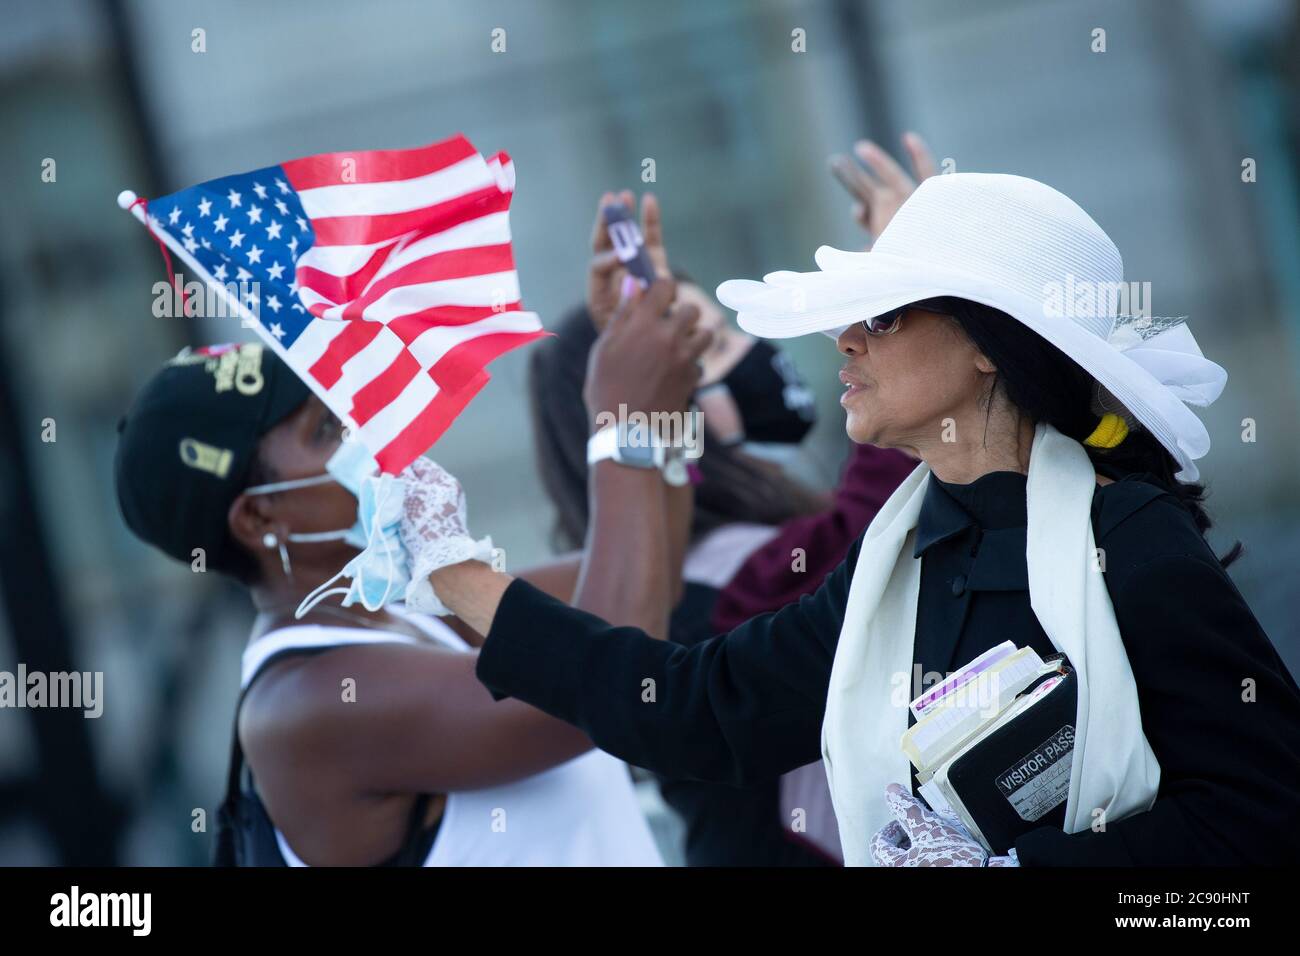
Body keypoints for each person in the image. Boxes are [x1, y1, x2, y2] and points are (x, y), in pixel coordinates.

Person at [403, 172, 1300, 865]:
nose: (845, 338)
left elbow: (1262, 818)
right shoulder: (897, 561)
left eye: (883, 311)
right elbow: (691, 708)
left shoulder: (1129, 538)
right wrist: (456, 573)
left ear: (989, 345)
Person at [113, 267, 710, 866]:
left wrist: (656, 375)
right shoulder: (304, 705)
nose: (365, 429)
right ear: (259, 520)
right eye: (327, 428)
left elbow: (653, 572)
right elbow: (618, 683)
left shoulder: (402, 605)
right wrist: (624, 420)